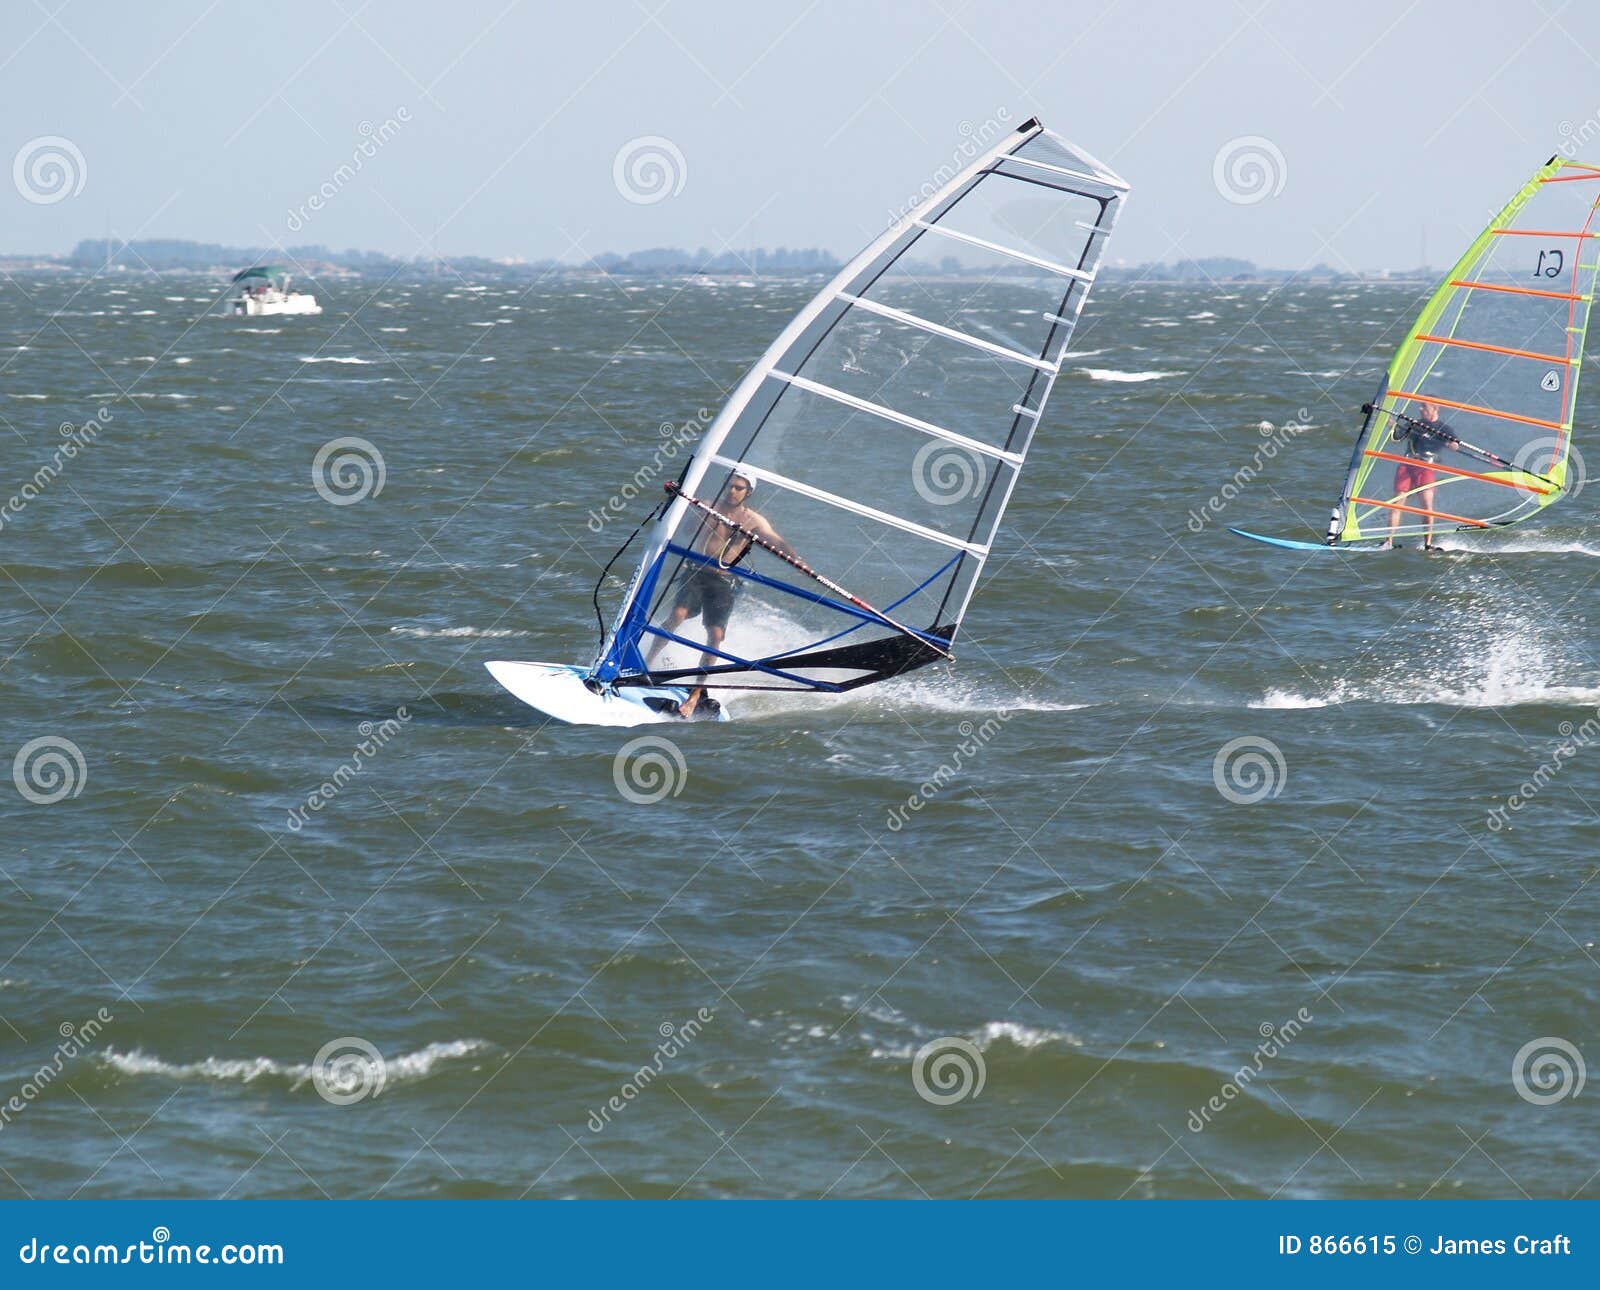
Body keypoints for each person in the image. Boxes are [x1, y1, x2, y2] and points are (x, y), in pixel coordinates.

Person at [645, 473, 794, 718]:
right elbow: (686, 527)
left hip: (723, 581)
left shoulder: (753, 521)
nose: (732, 491)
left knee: (715, 635)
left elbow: (777, 540)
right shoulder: (708, 505)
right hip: (695, 572)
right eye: (729, 486)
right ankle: (646, 666)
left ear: (748, 493)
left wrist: (798, 561)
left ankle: (695, 695)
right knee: (677, 615)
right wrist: (696, 511)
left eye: (738, 488)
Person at [1382, 399, 1458, 551]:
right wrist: (1388, 422)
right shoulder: (1415, 424)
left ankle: (1427, 544)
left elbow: (1455, 445)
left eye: (1424, 407)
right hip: (1407, 464)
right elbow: (1397, 436)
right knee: (1396, 504)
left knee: (1426, 506)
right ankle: (1388, 542)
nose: (1420, 409)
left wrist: (1451, 444)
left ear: (1435, 408)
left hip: (1425, 467)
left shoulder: (1444, 428)